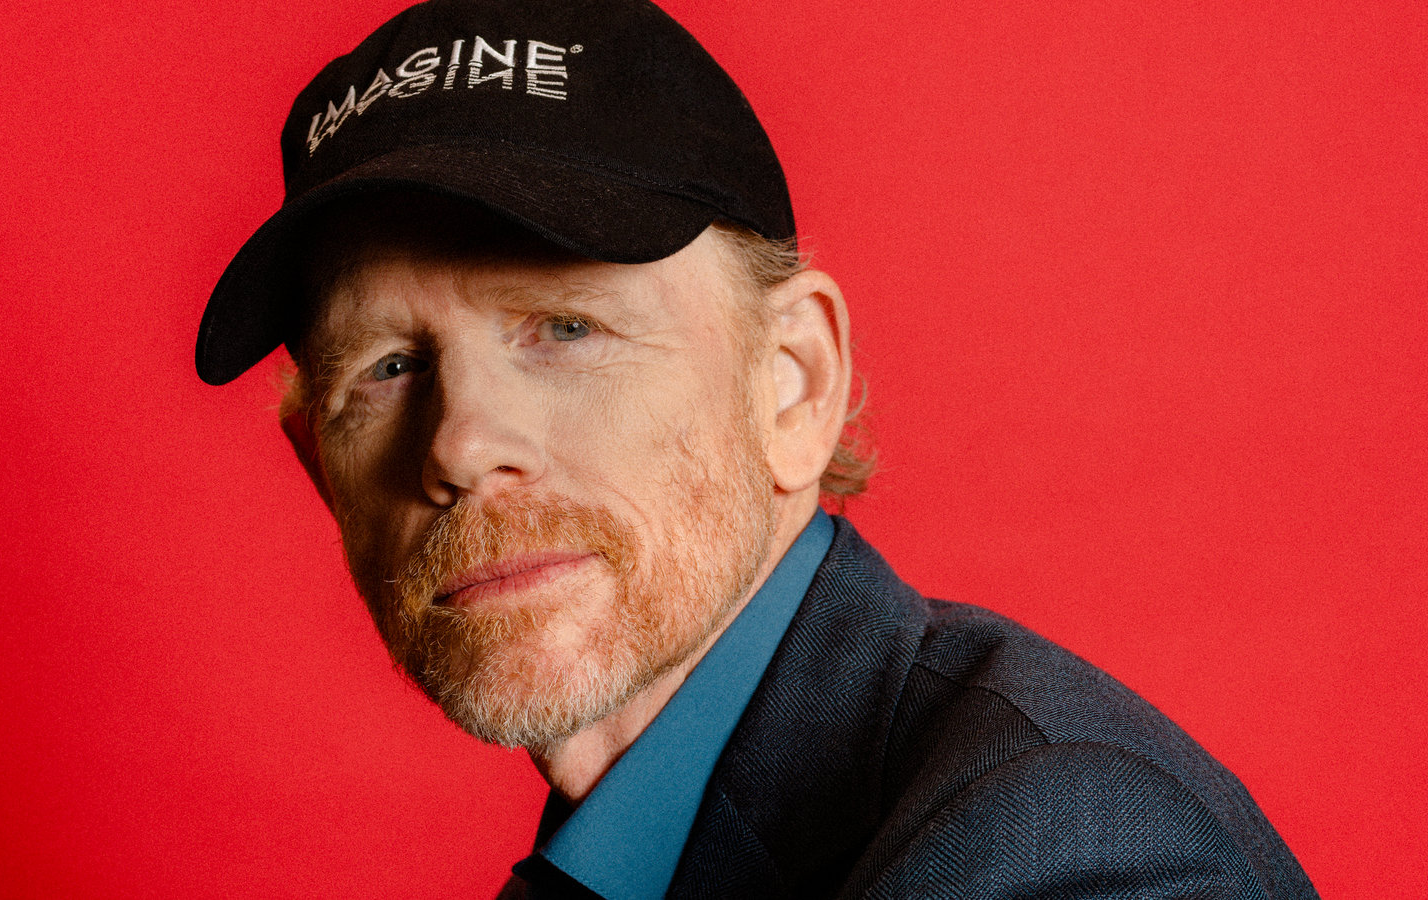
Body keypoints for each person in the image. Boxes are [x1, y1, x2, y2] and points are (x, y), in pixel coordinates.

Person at [195, 1, 1319, 897]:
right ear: (318, 470)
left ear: (794, 384)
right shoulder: (616, 862)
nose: (462, 443)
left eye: (566, 328)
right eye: (386, 368)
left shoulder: (1056, 846)